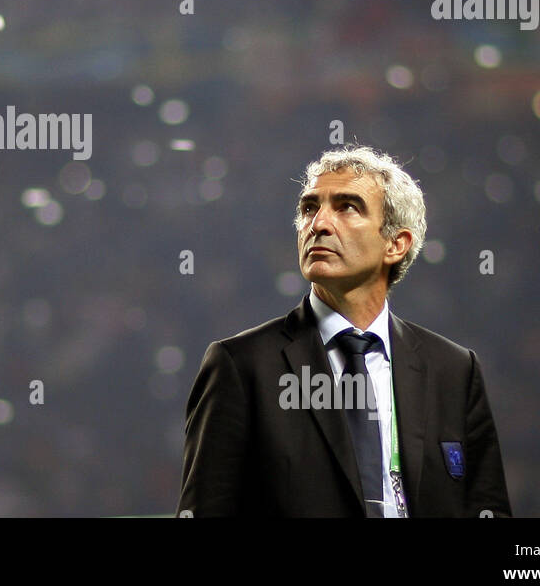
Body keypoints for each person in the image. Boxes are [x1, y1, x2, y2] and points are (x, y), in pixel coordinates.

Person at [176, 145, 512, 517]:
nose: (318, 224)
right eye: (309, 208)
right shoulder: (241, 366)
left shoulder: (453, 369)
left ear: (395, 244)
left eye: (346, 207)